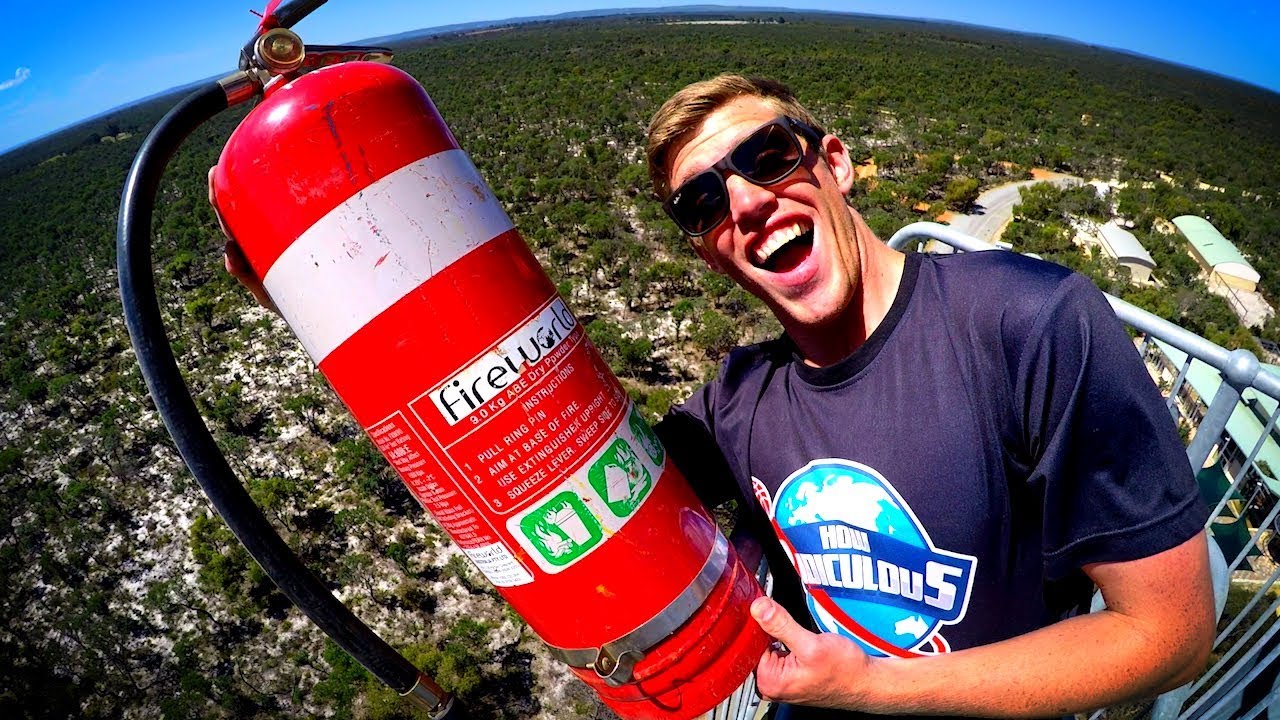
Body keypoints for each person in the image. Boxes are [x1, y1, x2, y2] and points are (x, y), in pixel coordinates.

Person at [645, 74, 1214, 718]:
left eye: (768, 157)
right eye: (702, 204)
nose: (745, 202)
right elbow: (585, 477)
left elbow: (1171, 633)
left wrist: (868, 688)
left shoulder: (1029, 326)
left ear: (835, 164)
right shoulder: (738, 401)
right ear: (710, 255)